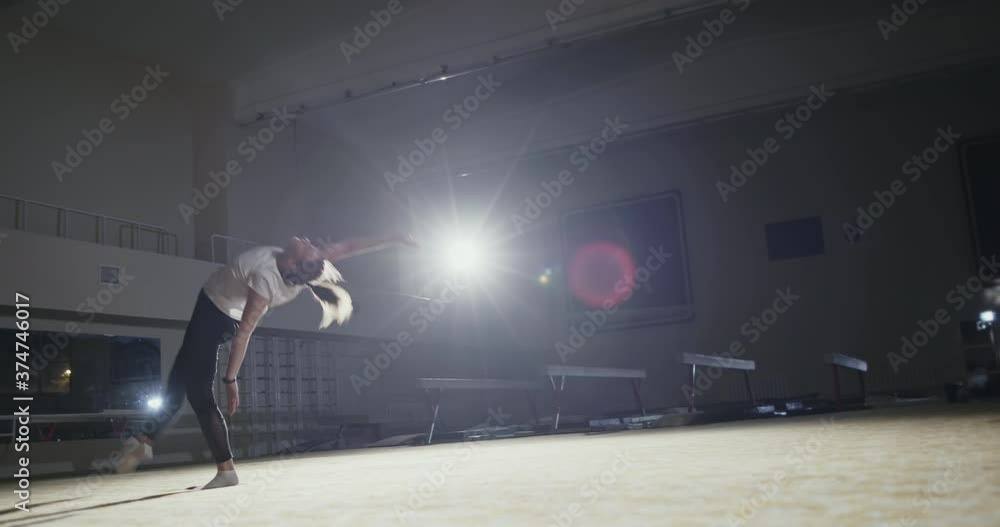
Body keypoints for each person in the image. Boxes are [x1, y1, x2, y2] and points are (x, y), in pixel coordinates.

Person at [114, 233, 417, 488]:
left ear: (293, 263)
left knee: (198, 394)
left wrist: (230, 380)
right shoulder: (312, 259)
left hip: (213, 315)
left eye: (305, 246)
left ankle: (225, 469)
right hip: (214, 310)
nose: (305, 239)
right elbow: (353, 246)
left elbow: (243, 335)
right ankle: (145, 440)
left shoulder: (266, 281)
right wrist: (394, 237)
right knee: (179, 378)